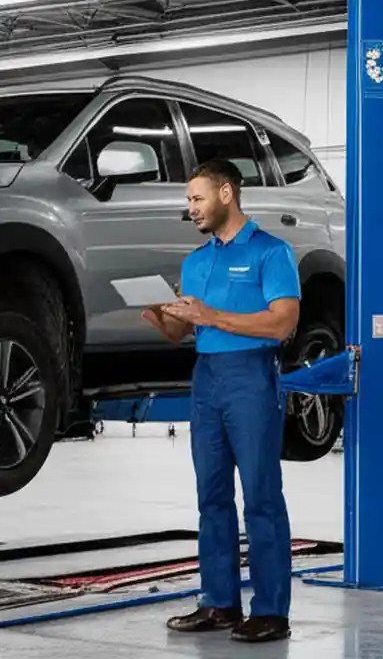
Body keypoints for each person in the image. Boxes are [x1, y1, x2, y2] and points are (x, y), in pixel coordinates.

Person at [141, 159, 300, 643]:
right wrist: (158, 316)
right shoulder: (196, 261)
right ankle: (220, 603)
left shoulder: (272, 253)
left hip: (250, 375)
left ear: (226, 194)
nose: (191, 209)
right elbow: (183, 333)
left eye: (197, 198)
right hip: (206, 377)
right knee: (211, 496)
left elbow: (282, 324)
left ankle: (271, 610)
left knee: (261, 496)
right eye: (189, 201)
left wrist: (212, 314)